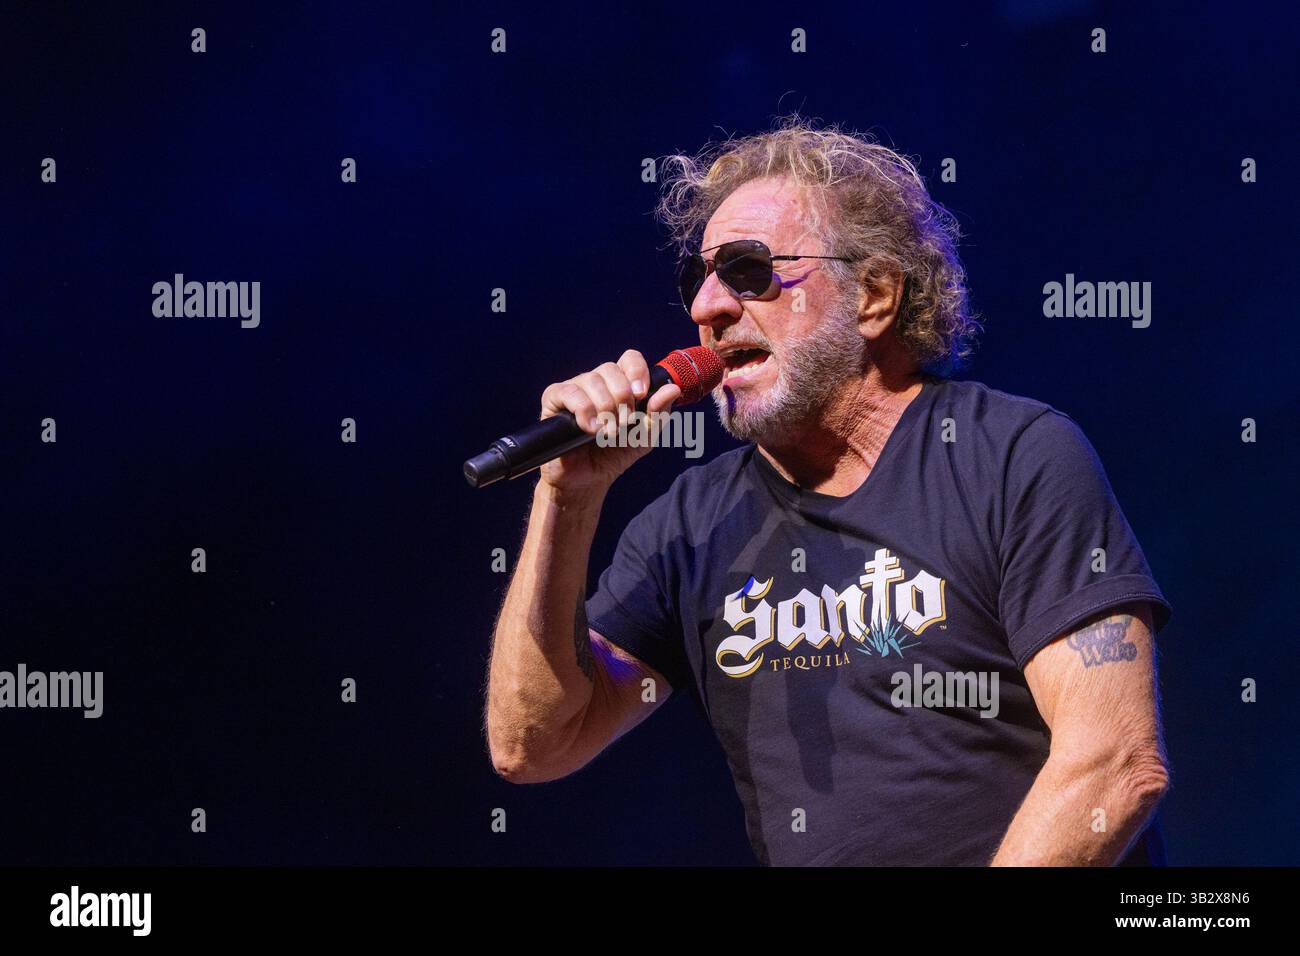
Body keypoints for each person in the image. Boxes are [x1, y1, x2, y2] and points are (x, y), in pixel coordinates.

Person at [484, 118, 1172, 866]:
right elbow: (534, 744)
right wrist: (568, 500)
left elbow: (1115, 764)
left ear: (873, 295)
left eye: (748, 269)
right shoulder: (690, 527)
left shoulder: (1011, 456)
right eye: (698, 278)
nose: (707, 307)